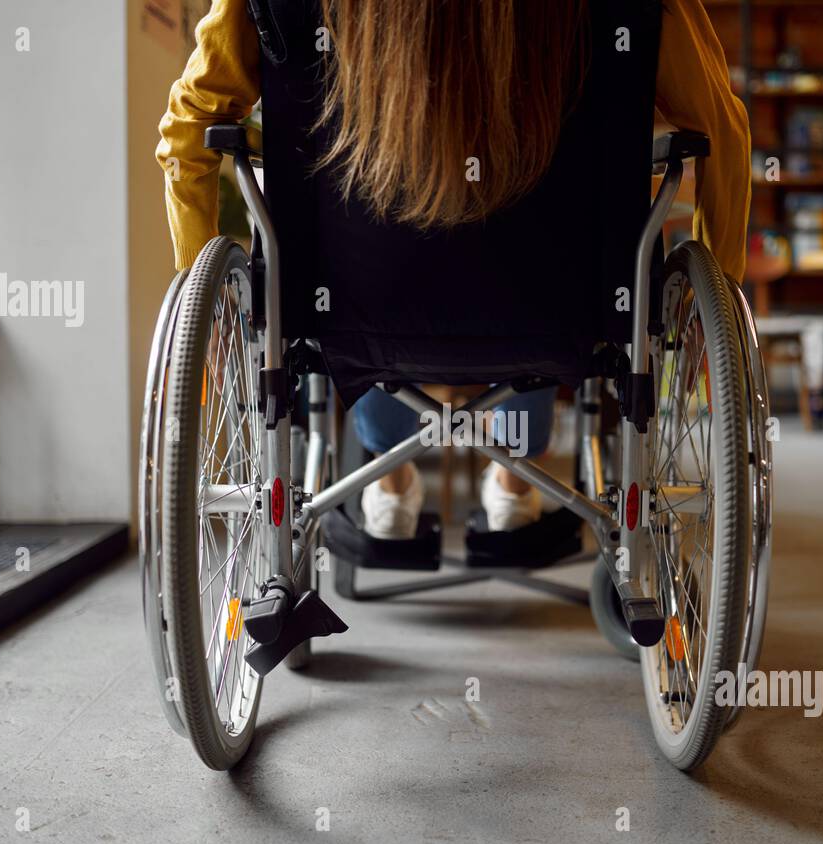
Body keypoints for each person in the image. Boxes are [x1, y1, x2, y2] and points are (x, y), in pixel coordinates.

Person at [157, 0, 750, 535]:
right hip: (555, 304)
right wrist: (707, 328)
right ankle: (518, 481)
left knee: (372, 265)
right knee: (534, 261)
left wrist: (209, 331)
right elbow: (721, 128)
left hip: (355, 304)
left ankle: (387, 485)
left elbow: (189, 130)